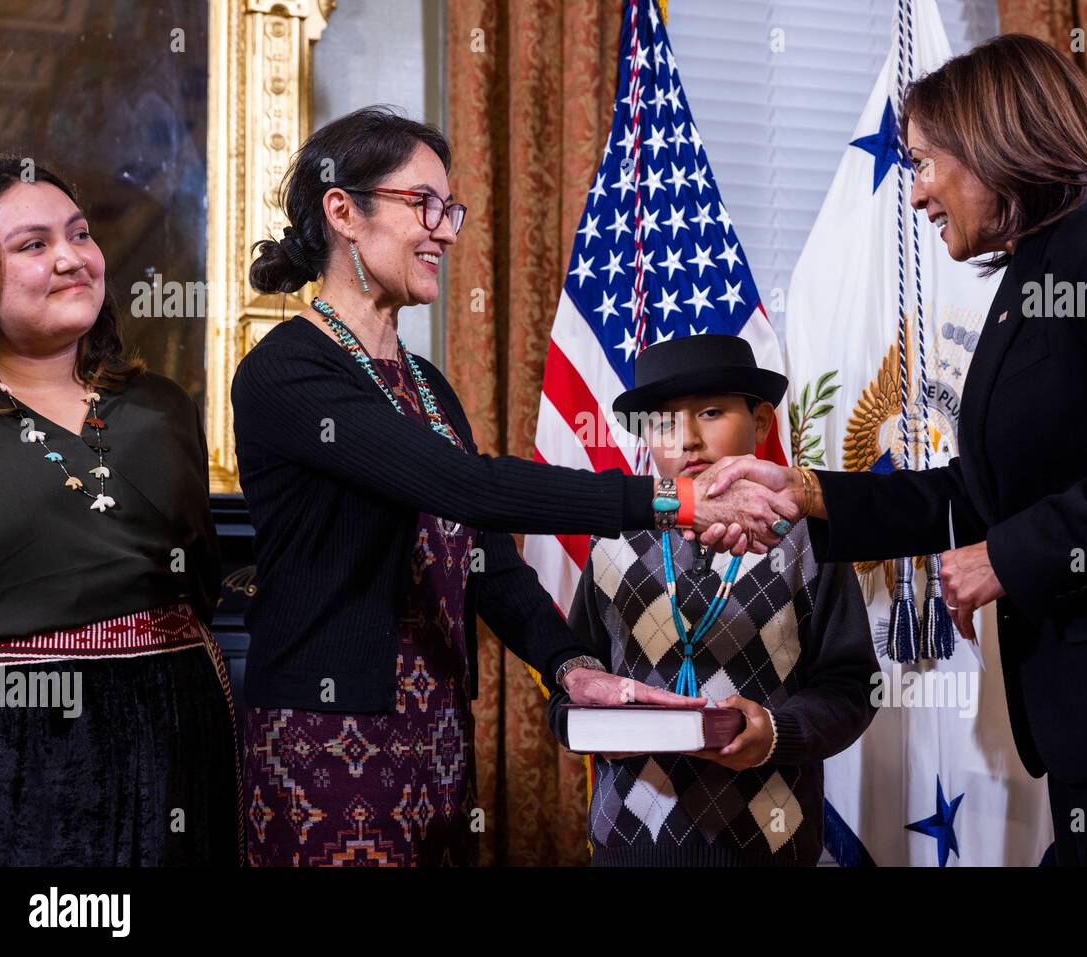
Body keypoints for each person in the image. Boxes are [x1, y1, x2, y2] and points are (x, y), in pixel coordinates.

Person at [704, 34, 1087, 867]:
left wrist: (1007, 557)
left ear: (995, 144)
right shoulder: (1037, 273)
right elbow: (986, 490)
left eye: (927, 163)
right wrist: (802, 491)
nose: (918, 194)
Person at [231, 107, 797, 866]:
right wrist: (679, 504)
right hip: (325, 740)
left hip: (435, 737)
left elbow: (488, 561)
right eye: (421, 204)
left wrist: (573, 666)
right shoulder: (285, 370)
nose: (444, 229)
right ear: (344, 211)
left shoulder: (427, 387)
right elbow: (464, 485)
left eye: (450, 209)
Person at [0, 157, 239, 865]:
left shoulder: (163, 406)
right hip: (10, 762)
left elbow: (203, 583)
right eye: (33, 245)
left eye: (80, 234)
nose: (71, 258)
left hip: (175, 739)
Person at [547, 334, 878, 866]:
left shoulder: (808, 541)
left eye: (710, 412)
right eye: (662, 422)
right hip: (629, 849)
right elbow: (572, 677)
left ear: (763, 422)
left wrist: (776, 733)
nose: (688, 440)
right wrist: (580, 725)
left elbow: (852, 687)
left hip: (770, 848)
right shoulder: (611, 541)